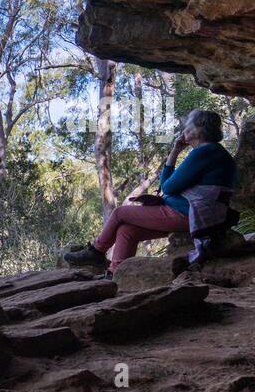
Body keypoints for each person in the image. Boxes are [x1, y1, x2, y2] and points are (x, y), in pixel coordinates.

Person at [63, 109, 237, 274]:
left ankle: (95, 251)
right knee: (127, 231)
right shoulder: (213, 152)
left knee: (119, 213)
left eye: (187, 125)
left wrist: (174, 157)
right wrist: (175, 151)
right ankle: (115, 274)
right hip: (199, 214)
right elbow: (167, 186)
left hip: (191, 214)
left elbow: (168, 187)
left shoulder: (206, 152)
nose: (184, 129)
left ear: (199, 129)